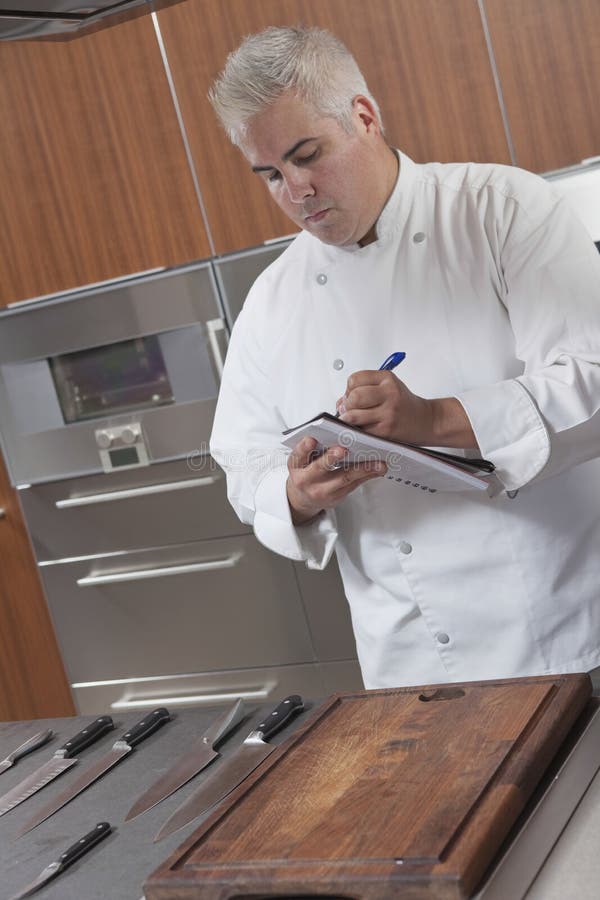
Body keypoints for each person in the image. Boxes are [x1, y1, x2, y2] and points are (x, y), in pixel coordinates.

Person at [208, 26, 600, 689]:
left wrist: (434, 419)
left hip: (561, 639)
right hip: (406, 668)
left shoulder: (499, 209)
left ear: (364, 116)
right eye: (271, 173)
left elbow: (591, 378)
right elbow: (242, 460)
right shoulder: (273, 298)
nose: (295, 191)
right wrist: (296, 492)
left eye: (309, 155)